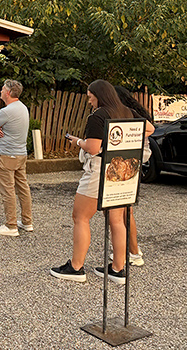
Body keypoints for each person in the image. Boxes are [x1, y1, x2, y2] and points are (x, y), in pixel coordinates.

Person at [51, 79, 131, 284]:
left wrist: (78, 141)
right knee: (117, 220)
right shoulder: (126, 112)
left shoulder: (98, 116)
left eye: (90, 97)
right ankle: (118, 269)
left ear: (99, 95)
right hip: (121, 170)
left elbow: (94, 148)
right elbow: (145, 129)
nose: (89, 102)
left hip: (98, 171)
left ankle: (76, 267)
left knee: (80, 216)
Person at [112, 85, 156, 267]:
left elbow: (150, 129)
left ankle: (133, 252)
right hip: (130, 166)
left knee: (123, 213)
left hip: (127, 167)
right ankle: (128, 251)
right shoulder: (132, 112)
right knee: (124, 212)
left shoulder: (127, 114)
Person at [0, 79, 32, 236]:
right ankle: (27, 221)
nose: (0, 91)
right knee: (23, 188)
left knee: (7, 190)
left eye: (2, 89)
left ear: (8, 92)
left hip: (6, 155)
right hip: (21, 153)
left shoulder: (5, 111)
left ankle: (11, 225)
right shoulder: (23, 108)